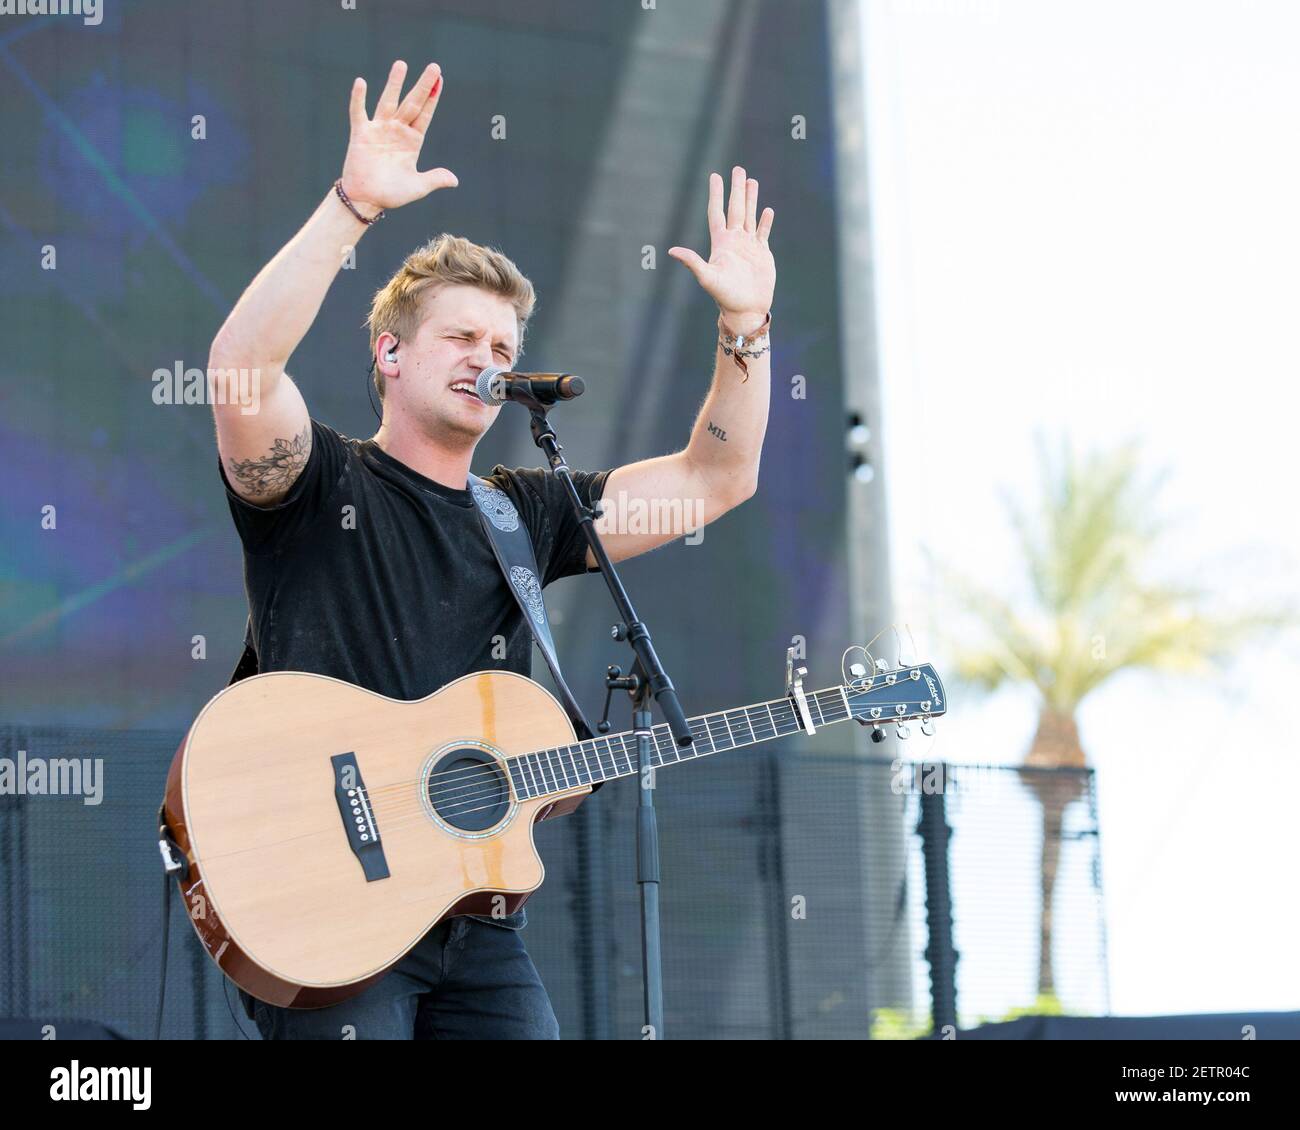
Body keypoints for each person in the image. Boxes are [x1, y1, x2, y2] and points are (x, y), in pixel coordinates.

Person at [208, 59, 776, 1040]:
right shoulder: (318, 483)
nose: (489, 359)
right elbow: (241, 372)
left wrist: (746, 326)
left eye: (505, 348)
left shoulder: (526, 512)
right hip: (321, 888)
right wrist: (351, 206)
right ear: (389, 352)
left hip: (475, 919)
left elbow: (714, 479)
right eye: (462, 335)